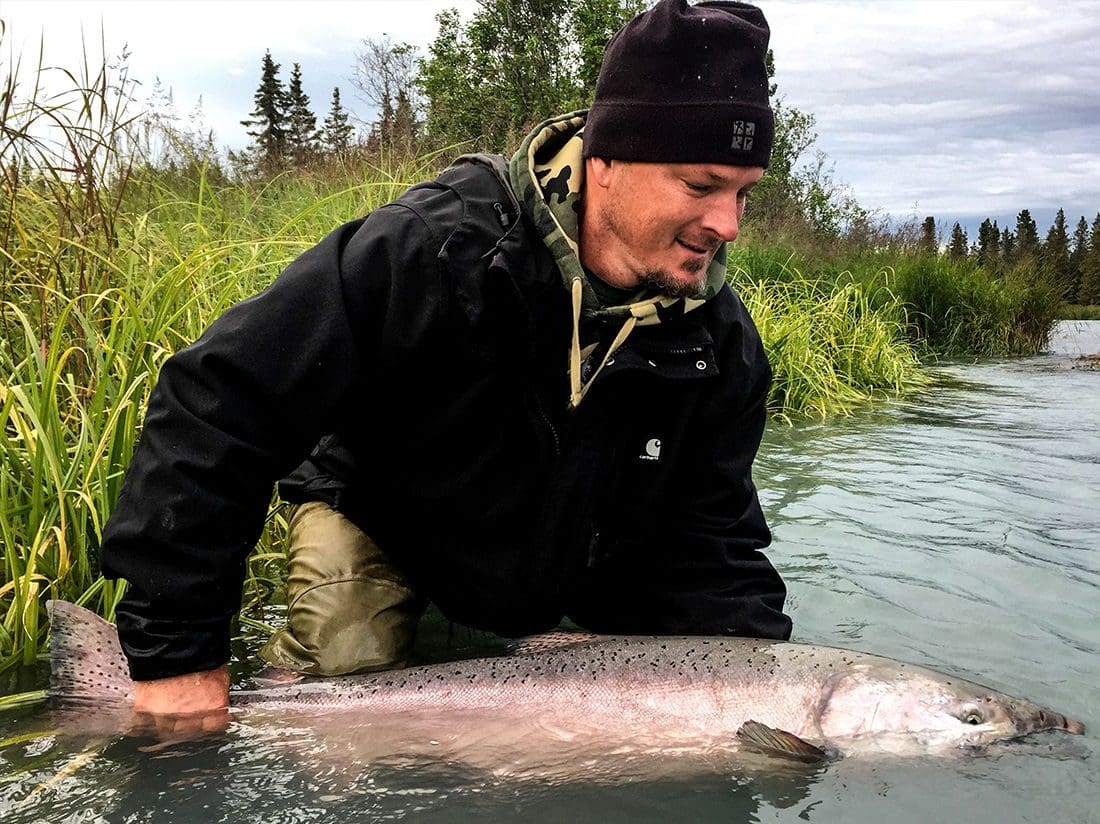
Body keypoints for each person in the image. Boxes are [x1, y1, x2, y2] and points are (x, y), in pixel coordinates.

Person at [101, 0, 792, 726]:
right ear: (608, 161)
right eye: (701, 186)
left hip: (563, 556)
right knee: (345, 691)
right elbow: (219, 399)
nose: (729, 226)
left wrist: (766, 698)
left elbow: (714, 539)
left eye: (744, 192)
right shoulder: (436, 249)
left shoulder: (721, 344)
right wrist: (176, 656)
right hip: (382, 517)